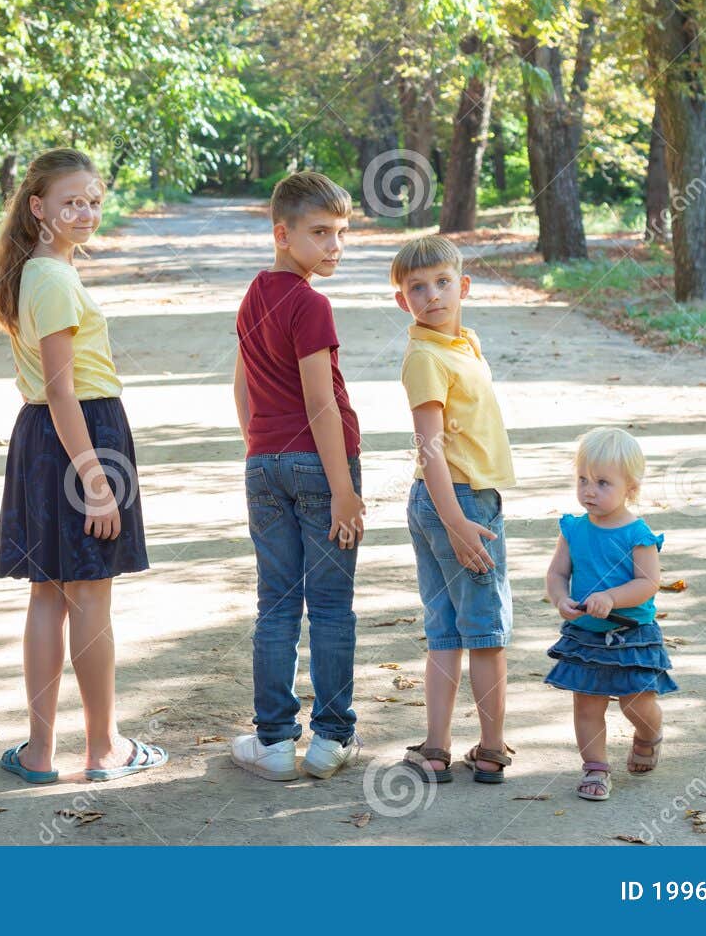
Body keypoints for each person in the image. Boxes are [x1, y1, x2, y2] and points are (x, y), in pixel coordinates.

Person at [0, 148, 165, 785]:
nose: (85, 212)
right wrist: (93, 478)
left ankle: (40, 752)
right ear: (39, 208)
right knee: (88, 595)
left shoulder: (39, 270)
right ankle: (102, 748)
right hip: (79, 435)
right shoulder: (54, 279)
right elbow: (63, 389)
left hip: (47, 437)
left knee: (50, 594)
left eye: (92, 200)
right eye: (71, 202)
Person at [230, 171, 365, 781]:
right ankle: (330, 739)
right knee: (331, 605)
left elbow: (241, 386)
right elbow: (321, 403)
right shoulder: (311, 304)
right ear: (282, 234)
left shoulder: (254, 294)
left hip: (265, 464)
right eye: (320, 233)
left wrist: (259, 449)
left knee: (277, 604)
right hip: (320, 466)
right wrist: (342, 489)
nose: (334, 245)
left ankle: (275, 742)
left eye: (341, 233)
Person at [391, 235, 517, 784]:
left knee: (452, 628)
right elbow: (431, 447)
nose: (432, 295)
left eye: (442, 282)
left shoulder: (465, 342)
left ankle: (439, 748)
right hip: (455, 501)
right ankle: (486, 749)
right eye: (417, 288)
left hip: (458, 499)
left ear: (462, 286)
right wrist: (457, 521)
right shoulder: (424, 357)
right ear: (404, 301)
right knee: (479, 630)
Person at [543, 426, 677, 801]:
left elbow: (649, 582)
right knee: (586, 701)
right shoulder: (573, 529)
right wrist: (559, 599)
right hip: (585, 632)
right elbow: (557, 573)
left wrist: (613, 597)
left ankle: (649, 734)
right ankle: (596, 768)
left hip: (630, 632)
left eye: (603, 483)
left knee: (637, 701)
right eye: (583, 479)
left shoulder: (638, 533)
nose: (589, 490)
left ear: (630, 488)